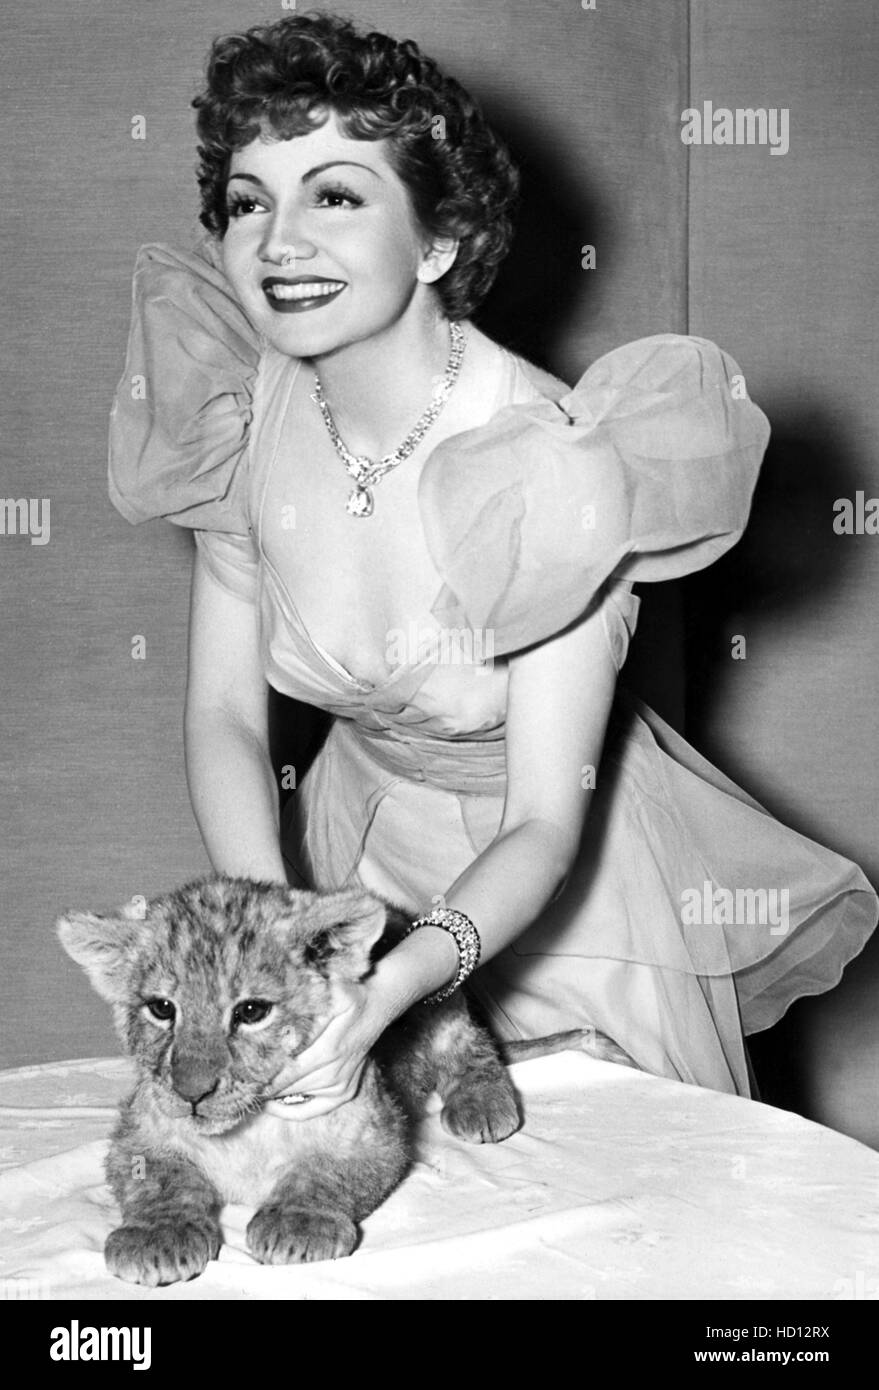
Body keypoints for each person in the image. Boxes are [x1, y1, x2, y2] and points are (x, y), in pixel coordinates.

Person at [108, 12, 876, 1115]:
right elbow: (224, 714)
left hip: (553, 890)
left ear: (437, 243)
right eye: (248, 202)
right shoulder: (239, 408)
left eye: (334, 196)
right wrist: (288, 944)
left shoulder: (554, 464)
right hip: (348, 849)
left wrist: (389, 987)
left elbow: (541, 825)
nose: (277, 242)